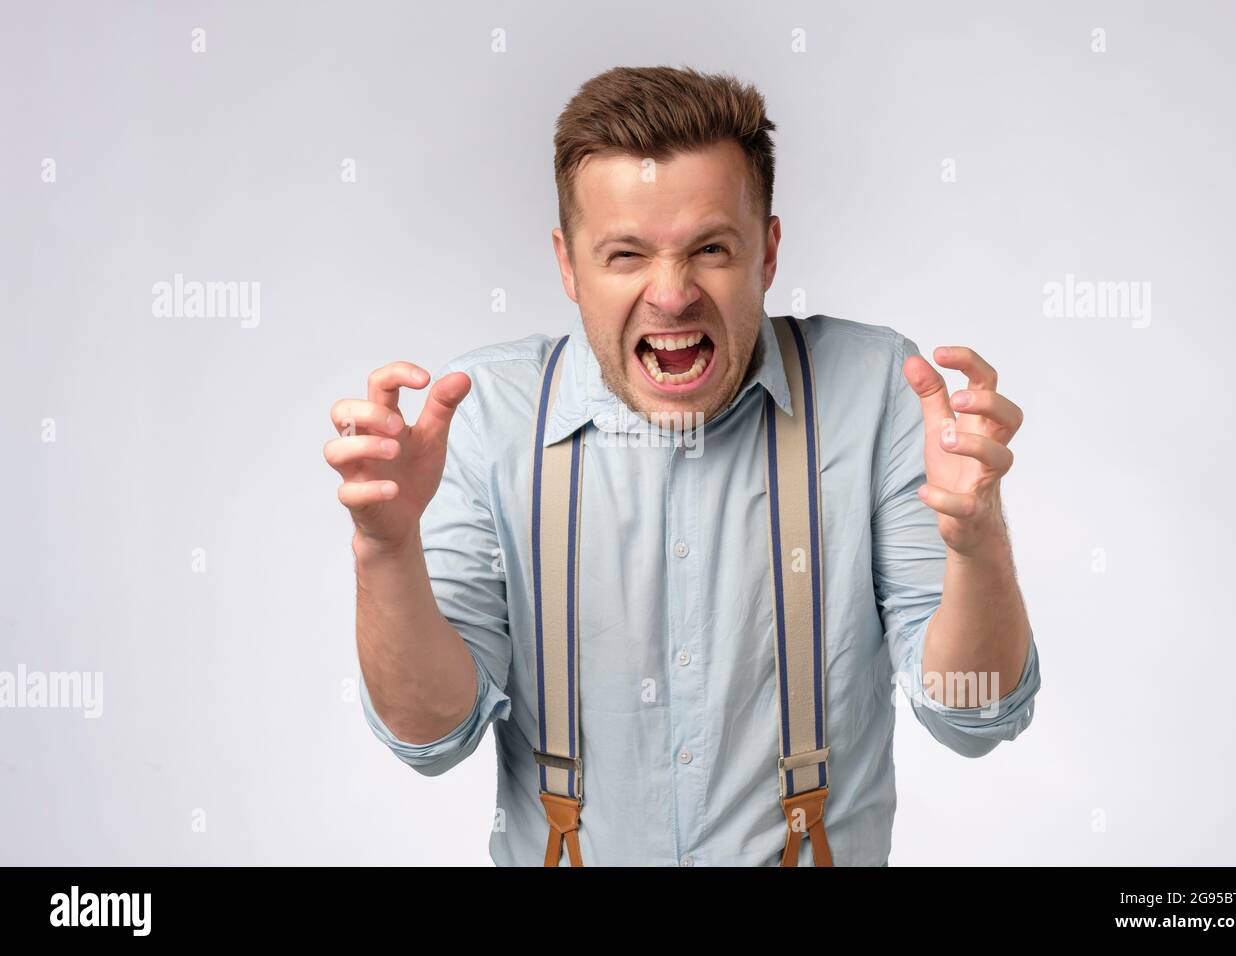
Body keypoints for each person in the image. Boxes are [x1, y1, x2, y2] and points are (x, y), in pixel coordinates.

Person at [323, 65, 1041, 866]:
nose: (671, 295)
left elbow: (973, 716)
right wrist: (386, 552)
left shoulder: (875, 391)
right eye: (625, 255)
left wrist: (979, 545)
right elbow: (431, 738)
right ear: (568, 265)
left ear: (767, 253)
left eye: (710, 248)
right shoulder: (485, 415)